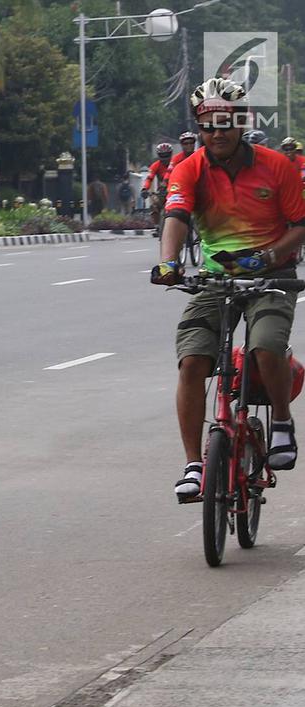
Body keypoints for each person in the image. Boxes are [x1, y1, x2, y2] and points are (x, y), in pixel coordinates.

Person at [150, 78, 305, 499]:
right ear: (199, 129)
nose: (217, 133)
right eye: (208, 125)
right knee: (192, 361)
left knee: (265, 346)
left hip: (272, 276)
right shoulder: (188, 168)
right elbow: (177, 216)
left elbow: (299, 227)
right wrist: (169, 262)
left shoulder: (278, 167)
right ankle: (194, 465)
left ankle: (281, 423)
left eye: (226, 123)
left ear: (242, 123)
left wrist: (269, 258)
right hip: (215, 278)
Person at [141, 142, 174, 231]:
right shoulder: (155, 165)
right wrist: (145, 189)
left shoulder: (175, 163)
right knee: (154, 205)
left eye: (167, 155)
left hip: (176, 190)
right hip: (162, 191)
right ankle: (157, 226)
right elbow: (149, 178)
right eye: (162, 155)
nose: (165, 158)